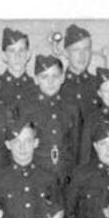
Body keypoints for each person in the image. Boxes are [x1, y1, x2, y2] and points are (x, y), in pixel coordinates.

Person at [0, 120, 61, 218]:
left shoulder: (49, 179)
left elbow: (56, 216)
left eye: (27, 141)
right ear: (8, 144)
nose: (22, 147)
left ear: (36, 143)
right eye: (16, 141)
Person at [27, 54, 81, 184]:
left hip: (66, 177)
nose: (50, 82)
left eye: (55, 76)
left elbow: (76, 148)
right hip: (36, 177)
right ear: (36, 79)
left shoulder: (72, 109)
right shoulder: (26, 110)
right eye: (44, 77)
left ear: (62, 78)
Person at [0, 27, 36, 112]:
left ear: (28, 55)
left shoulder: (36, 87)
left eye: (21, 50)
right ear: (4, 56)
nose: (17, 56)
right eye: (11, 51)